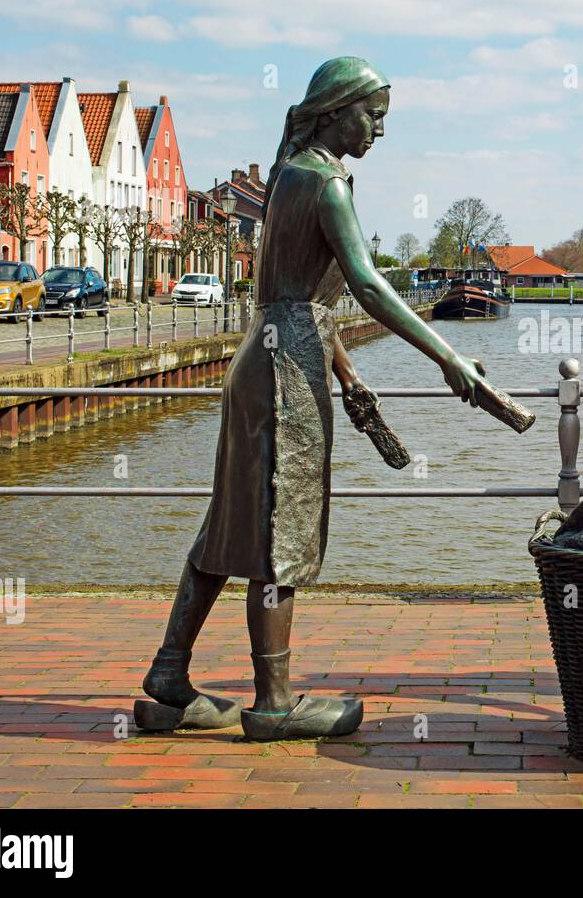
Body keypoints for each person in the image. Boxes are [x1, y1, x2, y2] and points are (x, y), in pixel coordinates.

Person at [135, 57, 488, 741]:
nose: (380, 129)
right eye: (372, 114)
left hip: (264, 359)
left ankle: (171, 671)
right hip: (287, 376)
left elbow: (298, 300)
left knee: (232, 522)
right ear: (334, 111)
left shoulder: (288, 176)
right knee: (280, 533)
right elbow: (367, 284)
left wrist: (350, 377)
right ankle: (273, 704)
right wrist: (447, 357)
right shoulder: (324, 184)